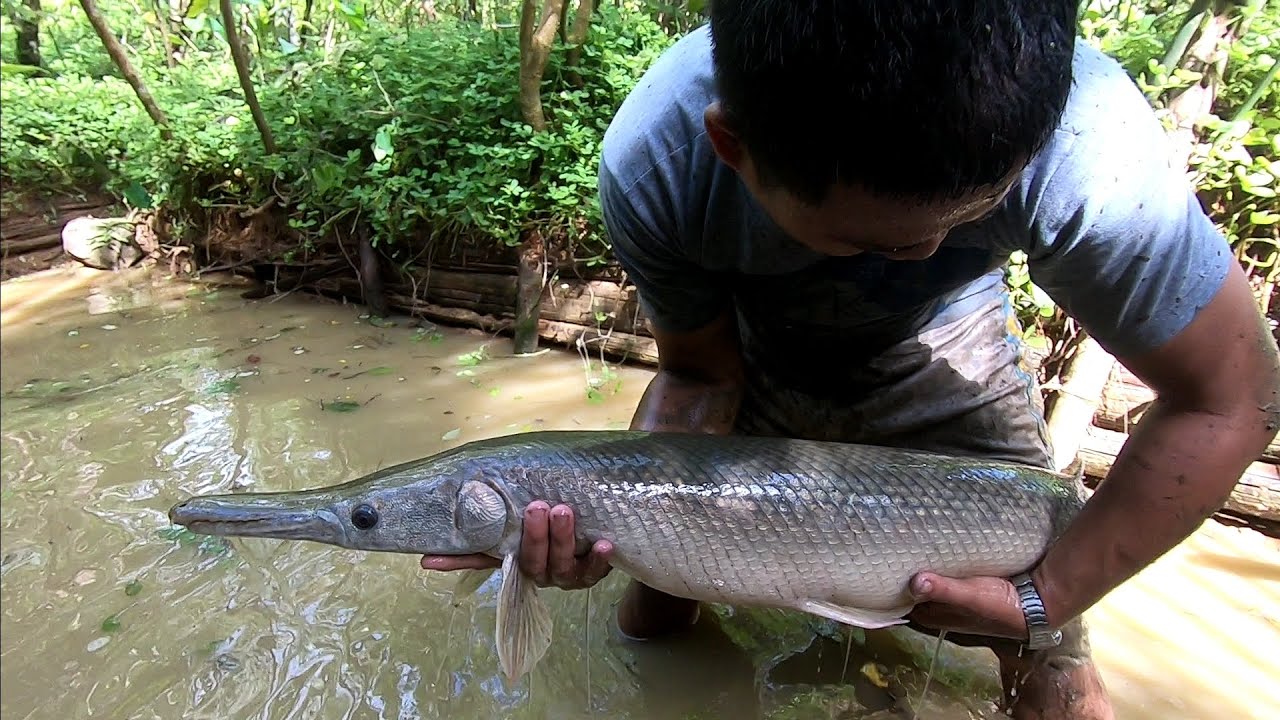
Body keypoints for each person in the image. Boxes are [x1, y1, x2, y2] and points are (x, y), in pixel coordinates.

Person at [423, 2, 1280, 718]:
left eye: (963, 218)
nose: (929, 247)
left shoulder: (1090, 149)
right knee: (648, 622)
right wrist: (620, 527)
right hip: (752, 347)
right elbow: (698, 374)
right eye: (880, 238)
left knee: (1051, 662)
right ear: (734, 148)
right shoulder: (661, 159)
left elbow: (1233, 400)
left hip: (947, 339)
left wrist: (1043, 597)